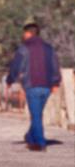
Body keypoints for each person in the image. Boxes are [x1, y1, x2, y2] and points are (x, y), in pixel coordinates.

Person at [5, 18, 62, 151]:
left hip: (32, 86)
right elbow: (55, 66)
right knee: (37, 113)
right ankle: (30, 137)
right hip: (47, 87)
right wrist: (56, 82)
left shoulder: (24, 48)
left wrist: (9, 80)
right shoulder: (49, 48)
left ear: (29, 34)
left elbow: (16, 67)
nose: (23, 36)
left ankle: (39, 143)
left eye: (24, 33)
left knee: (36, 115)